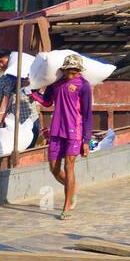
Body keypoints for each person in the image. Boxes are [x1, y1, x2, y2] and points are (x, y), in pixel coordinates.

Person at [30, 54, 93, 220]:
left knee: (69, 166)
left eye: (74, 72)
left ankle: (66, 207)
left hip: (75, 131)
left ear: (79, 71)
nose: (71, 75)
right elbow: (47, 102)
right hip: (57, 130)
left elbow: (87, 114)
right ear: (63, 70)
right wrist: (33, 92)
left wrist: (86, 140)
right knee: (54, 168)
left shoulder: (84, 86)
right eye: (68, 72)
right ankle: (72, 189)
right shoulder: (56, 84)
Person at [0, 49, 38, 140]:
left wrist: (29, 83)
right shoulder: (2, 81)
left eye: (2, 61)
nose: (0, 65)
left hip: (31, 120)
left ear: (11, 59)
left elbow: (39, 90)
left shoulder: (28, 76)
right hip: (14, 123)